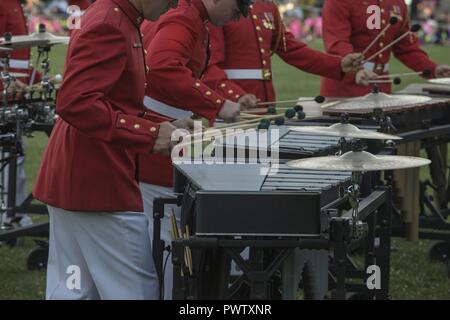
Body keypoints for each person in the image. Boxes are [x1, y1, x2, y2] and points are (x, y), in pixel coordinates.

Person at [201, 0, 364, 299]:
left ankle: (261, 266)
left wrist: (336, 65)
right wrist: (234, 98)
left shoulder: (266, 7)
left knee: (262, 191)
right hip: (234, 113)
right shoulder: (222, 5)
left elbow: (289, 48)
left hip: (265, 110)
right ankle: (235, 273)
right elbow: (208, 64)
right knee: (236, 195)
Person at [32, 0, 181, 300]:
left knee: (73, 289)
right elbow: (76, 102)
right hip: (96, 180)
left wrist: (166, 125)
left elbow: (115, 103)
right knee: (134, 291)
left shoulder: (116, 16)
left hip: (75, 178)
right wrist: (152, 133)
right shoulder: (110, 23)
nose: (175, 4)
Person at [139, 0, 253, 299]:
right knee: (166, 235)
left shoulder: (191, 17)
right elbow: (163, 68)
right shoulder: (183, 18)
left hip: (163, 132)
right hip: (155, 143)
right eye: (238, 7)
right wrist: (216, 104)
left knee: (164, 230)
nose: (238, 16)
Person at [320, 0, 450, 98]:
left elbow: (406, 47)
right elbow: (337, 42)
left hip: (382, 86)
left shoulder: (398, 2)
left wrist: (432, 69)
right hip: (345, 87)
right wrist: (357, 70)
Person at [0, 0, 40, 229]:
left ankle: (13, 216)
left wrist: (38, 79)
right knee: (9, 156)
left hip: (12, 94)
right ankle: (10, 217)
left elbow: (17, 59)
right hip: (4, 95)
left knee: (14, 156)